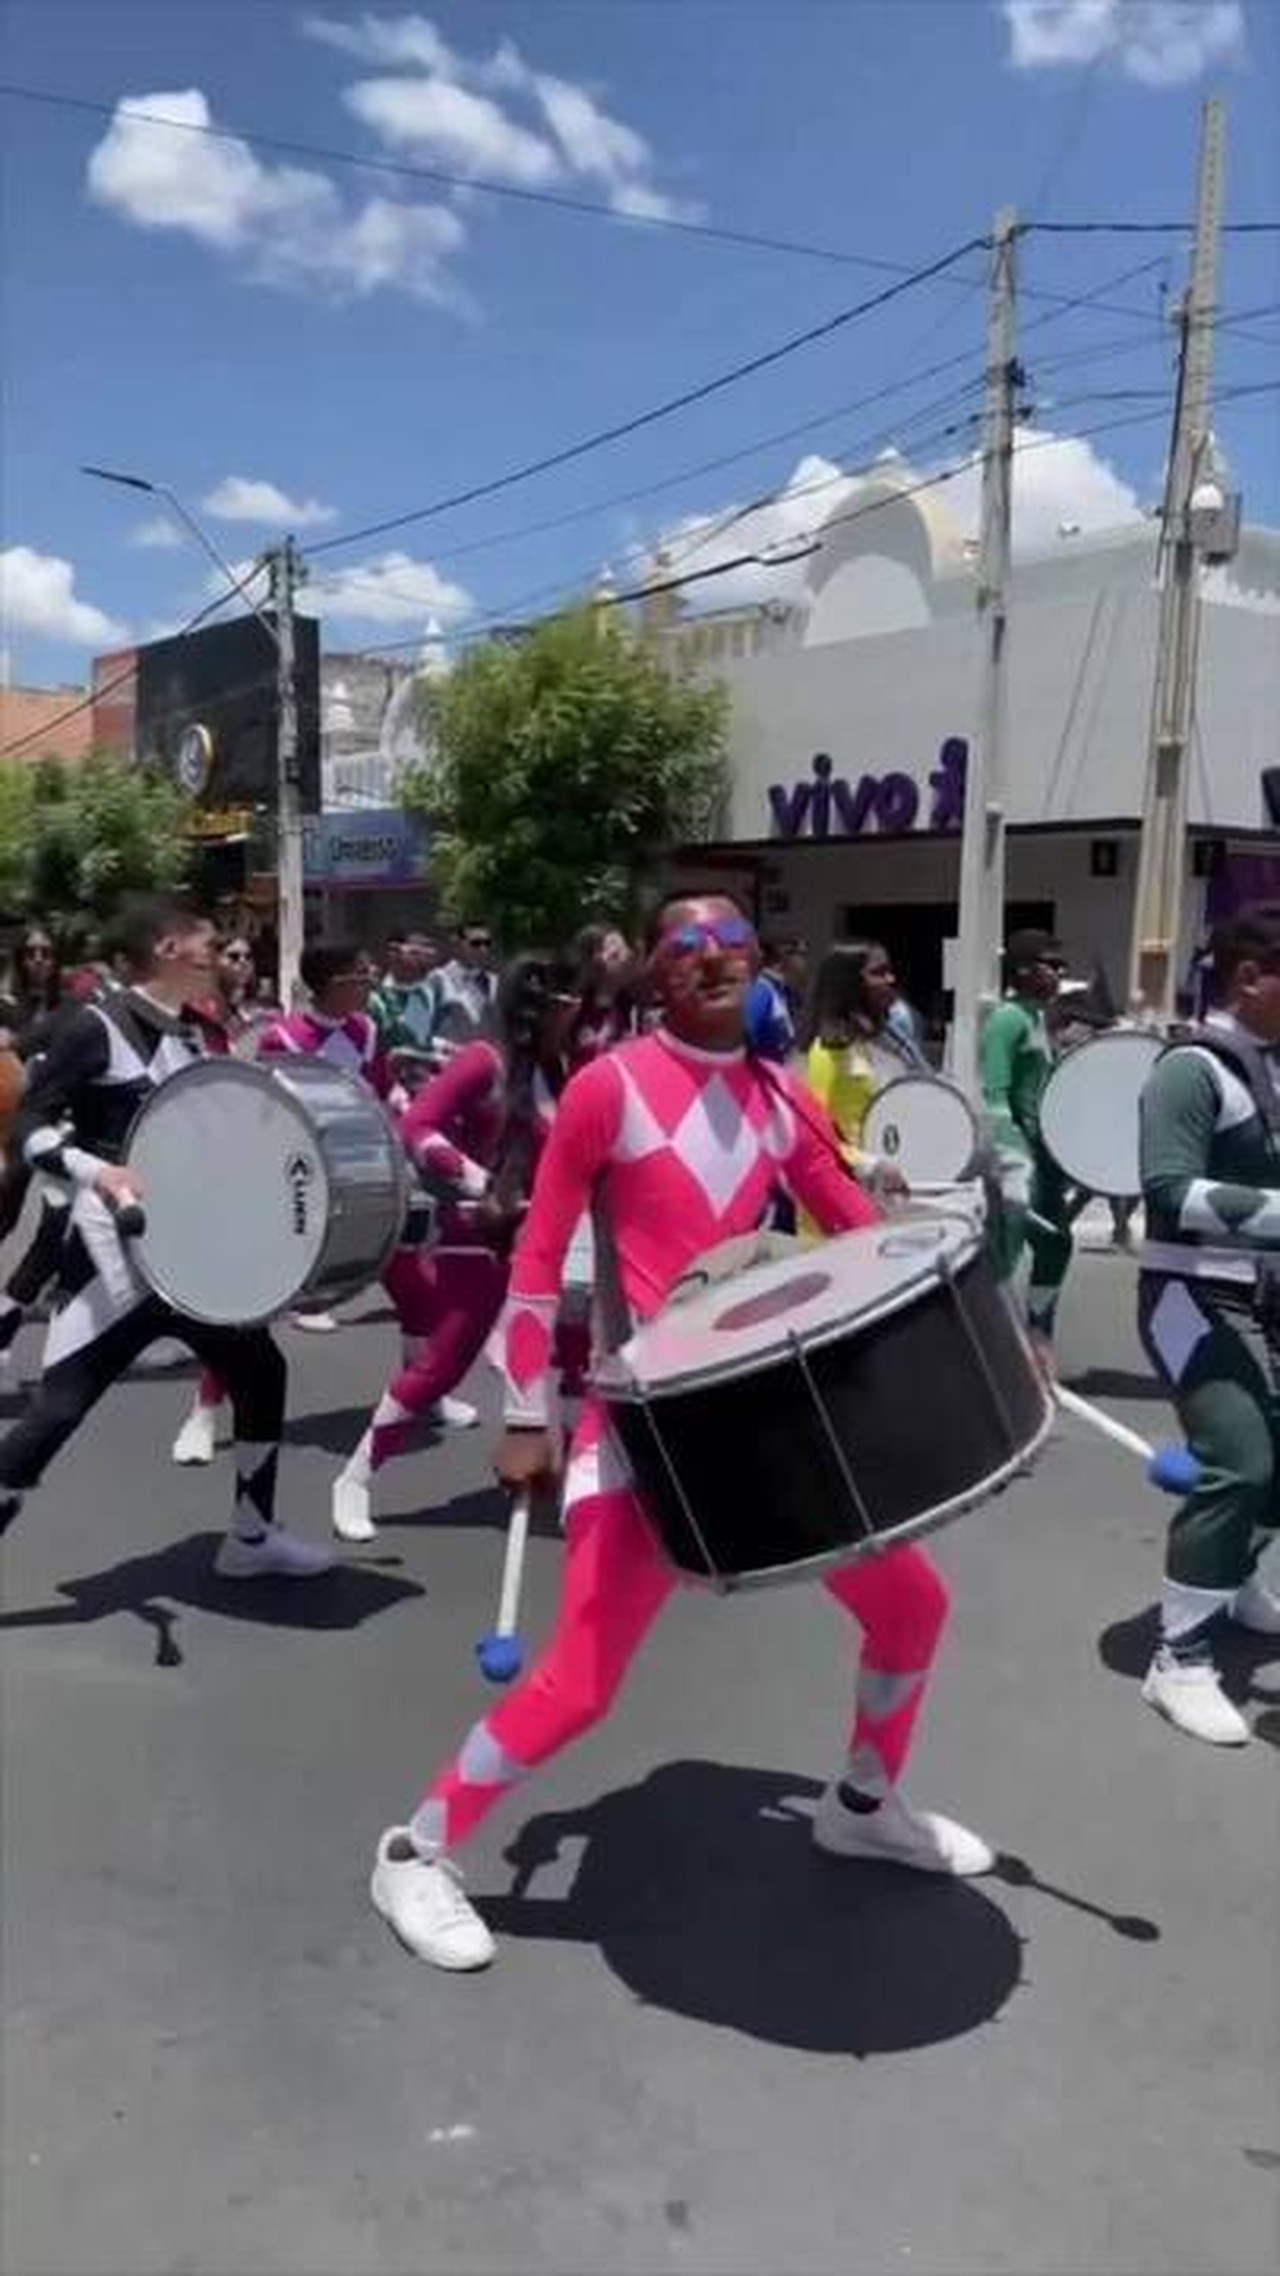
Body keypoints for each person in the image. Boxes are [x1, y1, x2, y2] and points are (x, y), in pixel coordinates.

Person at [368, 892, 994, 1972]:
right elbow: (538, 1256)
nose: (715, 959)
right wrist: (527, 1410)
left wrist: (953, 1298)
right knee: (580, 1681)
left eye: (734, 943)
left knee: (911, 1604)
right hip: (643, 1426)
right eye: (689, 947)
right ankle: (414, 1849)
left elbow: (847, 1220)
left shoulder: (778, 1093)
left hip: (758, 1410)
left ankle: (860, 1802)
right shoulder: (608, 1089)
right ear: (656, 973)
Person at [0, 896, 332, 1577]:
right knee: (58, 1411)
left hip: (186, 1261)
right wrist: (97, 1172)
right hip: (113, 1260)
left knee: (261, 1371)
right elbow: (28, 1123)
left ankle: (250, 1539)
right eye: (208, 943)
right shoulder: (95, 1026)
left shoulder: (188, 1033)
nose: (221, 954)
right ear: (168, 948)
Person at [331, 952, 585, 1542]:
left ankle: (572, 1478)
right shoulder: (482, 1060)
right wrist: (482, 1183)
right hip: (477, 1234)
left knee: (574, 1353)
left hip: (544, 1239)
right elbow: (415, 1127)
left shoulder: (558, 1072)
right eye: (569, 1004)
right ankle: (355, 1477)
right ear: (543, 1008)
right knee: (441, 1365)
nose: (578, 1016)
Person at [1135, 903, 1280, 1746]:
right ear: (1249, 978)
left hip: (1263, 1298)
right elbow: (1167, 1188)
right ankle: (1178, 1658)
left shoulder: (1269, 1068)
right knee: (1240, 1457)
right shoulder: (1191, 1070)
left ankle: (1230, 1578)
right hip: (1189, 1297)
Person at [169, 933, 277, 1465]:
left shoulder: (265, 1019)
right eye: (231, 955)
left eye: (247, 956)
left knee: (245, 1302)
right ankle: (203, 1407)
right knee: (215, 1299)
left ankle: (209, 1409)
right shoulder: (186, 1018)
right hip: (197, 1165)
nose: (241, 963)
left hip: (252, 1166)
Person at [256, 941, 390, 1333]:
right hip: (302, 1150)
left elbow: (380, 1090)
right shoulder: (283, 1038)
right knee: (303, 1222)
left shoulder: (366, 1030)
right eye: (362, 977)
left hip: (354, 1149)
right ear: (334, 982)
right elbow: (269, 1106)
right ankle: (302, 1297)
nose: (369, 985)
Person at [980, 930, 1075, 1365]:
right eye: (1050, 964)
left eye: (1061, 966)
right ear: (1021, 970)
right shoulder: (1008, 1019)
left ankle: (1037, 1334)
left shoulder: (1037, 1017)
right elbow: (995, 1096)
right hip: (1021, 1153)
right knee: (1008, 1251)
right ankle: (995, 1347)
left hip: (1046, 1150)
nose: (1059, 973)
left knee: (1057, 1244)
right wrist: (1015, 1159)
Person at [804, 940, 923, 1200]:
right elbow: (813, 1132)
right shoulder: (827, 1051)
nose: (890, 979)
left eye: (889, 971)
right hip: (841, 1197)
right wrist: (870, 1165)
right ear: (848, 984)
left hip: (882, 1189)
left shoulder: (881, 1042)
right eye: (878, 973)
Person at [569, 923, 636, 1067]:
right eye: (616, 954)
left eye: (625, 949)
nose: (627, 957)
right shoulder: (576, 1006)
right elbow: (551, 1050)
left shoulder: (634, 1002)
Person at [427, 922, 497, 1051]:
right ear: (458, 945)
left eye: (487, 943)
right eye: (475, 943)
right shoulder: (437, 980)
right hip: (447, 1059)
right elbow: (418, 1029)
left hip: (485, 1061)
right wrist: (449, 1047)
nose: (483, 949)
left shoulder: (494, 983)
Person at [744, 934, 807, 1064]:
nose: (804, 963)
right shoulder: (761, 991)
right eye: (801, 956)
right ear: (782, 961)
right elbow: (745, 1039)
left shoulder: (783, 991)